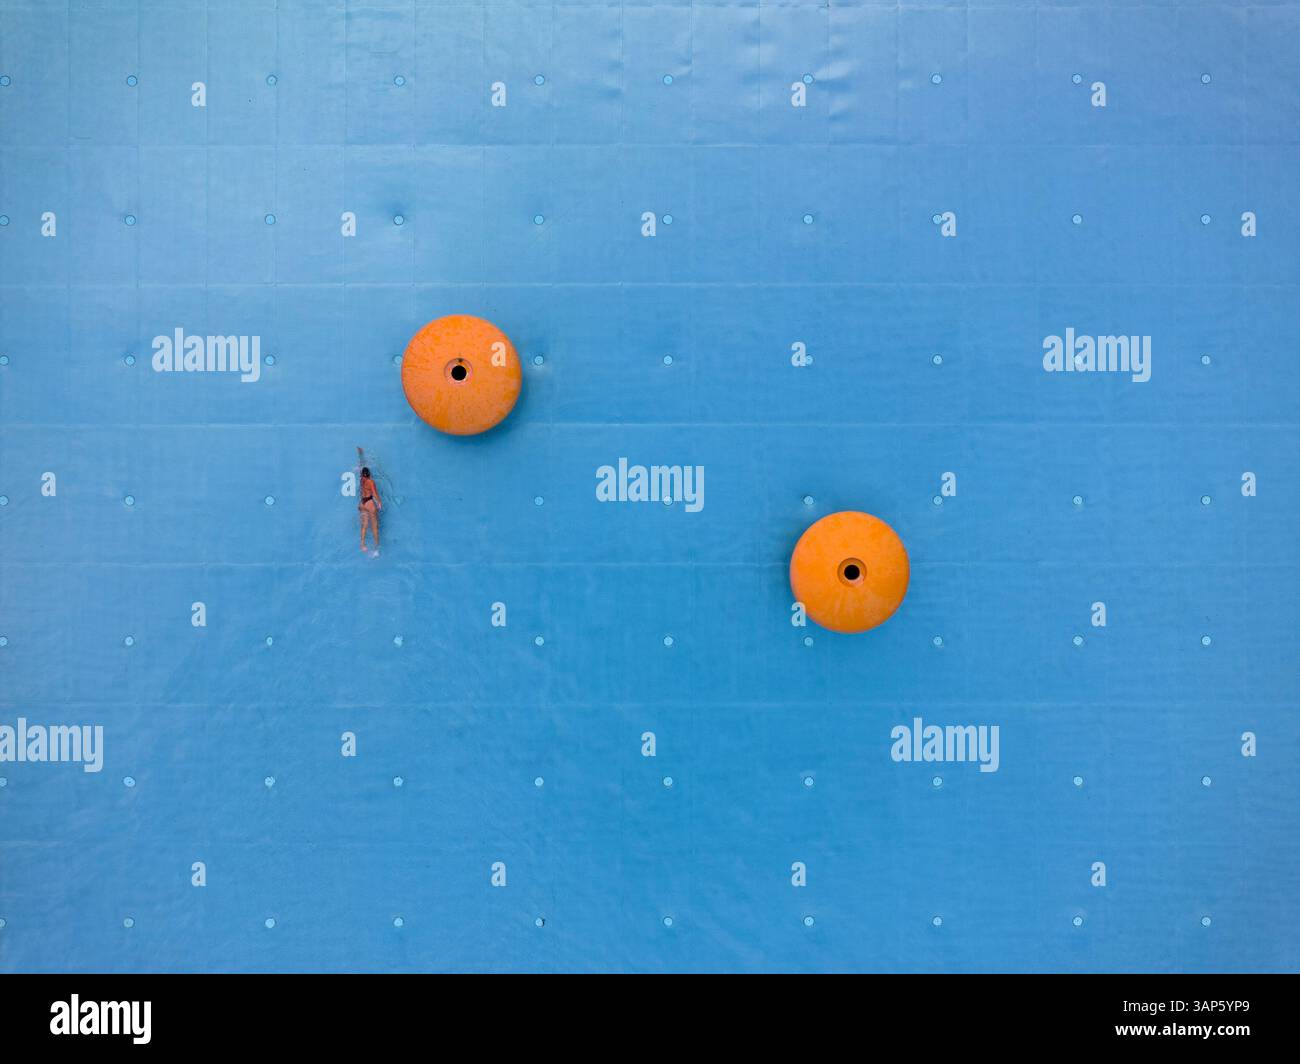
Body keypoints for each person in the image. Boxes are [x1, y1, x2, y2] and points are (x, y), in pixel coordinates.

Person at [358, 464, 381, 555]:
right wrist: (379, 502)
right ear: (369, 474)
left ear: (362, 475)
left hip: (362, 504)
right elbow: (375, 494)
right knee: (374, 527)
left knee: (365, 525)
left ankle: (362, 545)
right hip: (369, 504)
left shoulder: (361, 480)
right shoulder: (370, 481)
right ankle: (376, 549)